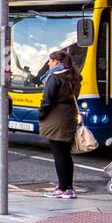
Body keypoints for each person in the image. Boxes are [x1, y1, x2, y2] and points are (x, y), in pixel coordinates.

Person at [38, 49, 80, 199]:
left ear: (56, 62)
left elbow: (47, 99)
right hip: (69, 116)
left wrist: (41, 114)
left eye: (50, 60)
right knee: (66, 154)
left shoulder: (55, 77)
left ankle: (62, 188)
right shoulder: (73, 76)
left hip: (56, 118)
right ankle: (68, 187)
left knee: (59, 155)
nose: (48, 63)